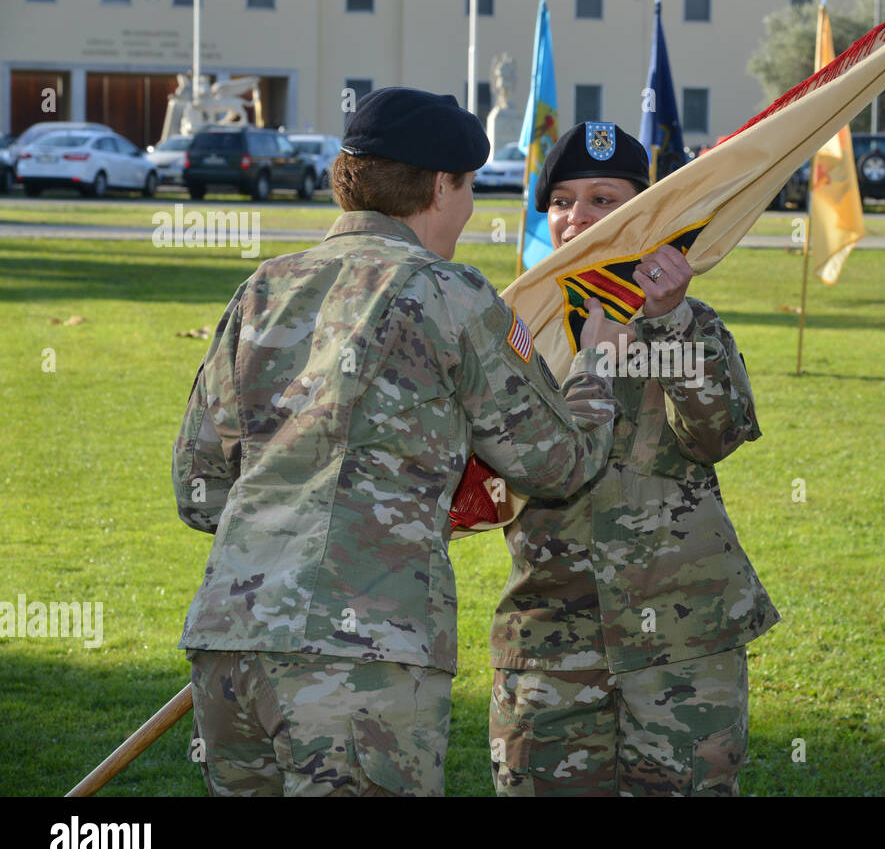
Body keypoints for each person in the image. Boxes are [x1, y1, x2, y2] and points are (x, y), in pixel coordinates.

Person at [172, 88, 624, 796]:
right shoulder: (450, 293)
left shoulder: (263, 288)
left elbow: (199, 491)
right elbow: (559, 463)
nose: (470, 209)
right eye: (469, 188)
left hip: (229, 646)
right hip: (365, 658)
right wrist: (598, 362)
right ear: (442, 184)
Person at [488, 122, 780, 796]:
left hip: (681, 638)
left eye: (602, 200)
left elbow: (718, 435)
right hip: (550, 638)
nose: (576, 218)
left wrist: (668, 321)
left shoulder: (690, 324)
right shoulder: (517, 331)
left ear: (642, 214)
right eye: (561, 201)